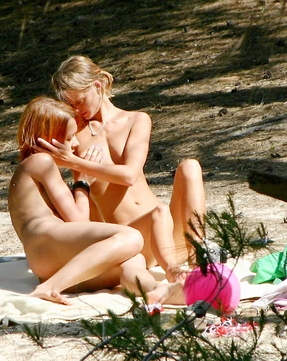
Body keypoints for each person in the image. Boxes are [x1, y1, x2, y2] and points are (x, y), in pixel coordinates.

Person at [37, 56, 206, 283]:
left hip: (167, 233)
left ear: (97, 86)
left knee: (190, 167)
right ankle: (173, 269)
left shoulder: (136, 120)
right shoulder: (74, 134)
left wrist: (74, 162)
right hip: (131, 241)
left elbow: (129, 175)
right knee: (158, 212)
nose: (76, 109)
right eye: (70, 104)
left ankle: (198, 256)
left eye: (80, 101)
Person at [9, 96, 182, 306]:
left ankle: (158, 292)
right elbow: (78, 221)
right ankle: (49, 288)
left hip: (50, 260)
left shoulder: (30, 169)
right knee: (131, 237)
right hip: (47, 246)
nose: (75, 143)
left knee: (132, 260)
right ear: (47, 138)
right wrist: (82, 182)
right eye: (69, 138)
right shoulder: (40, 161)